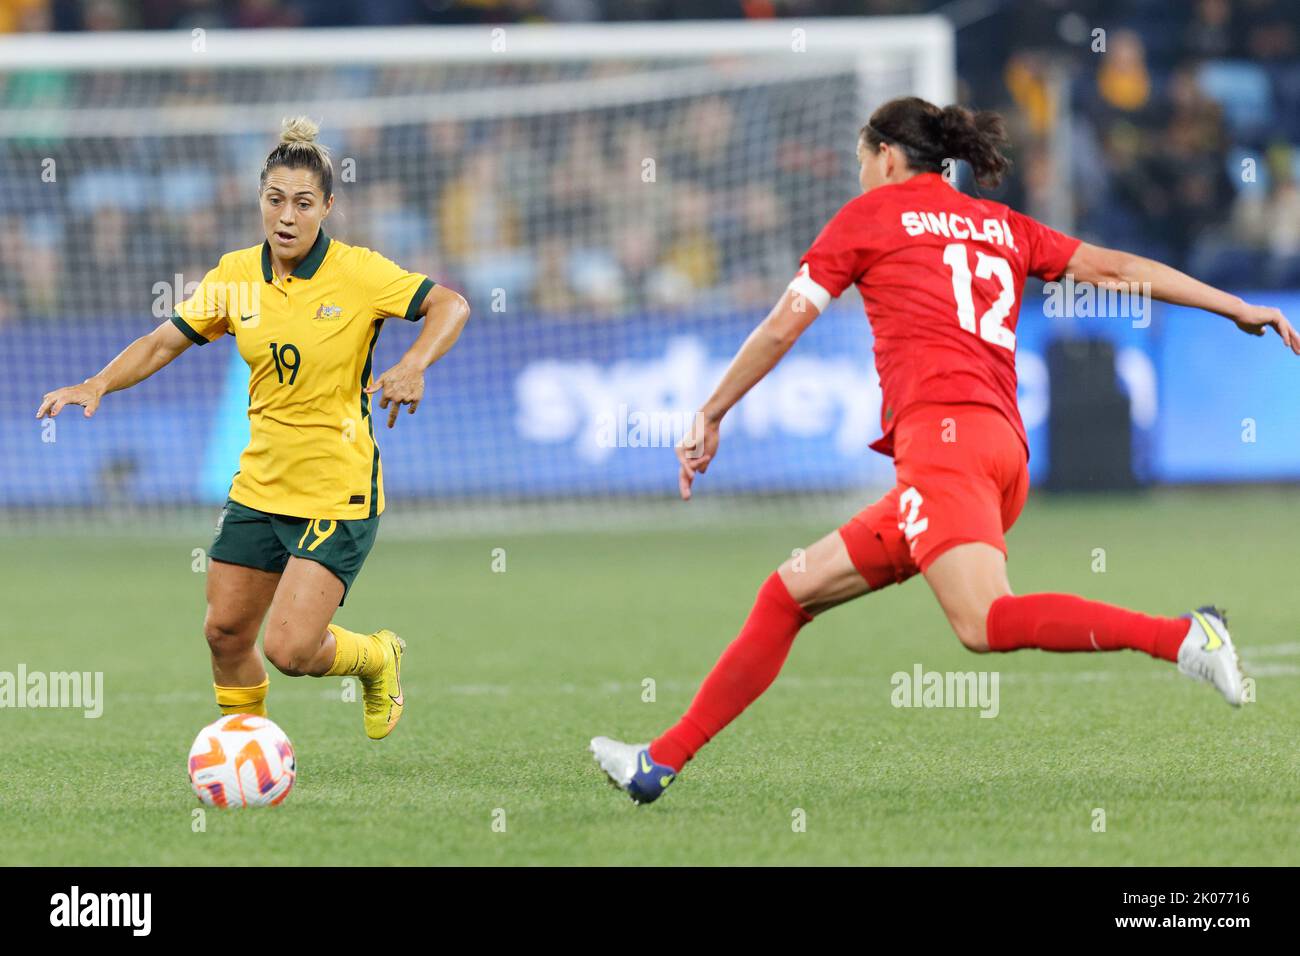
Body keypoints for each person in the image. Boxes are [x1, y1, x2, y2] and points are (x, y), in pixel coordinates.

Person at [591, 96, 1299, 803]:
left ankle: (1182, 637)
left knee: (984, 622)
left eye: (861, 161)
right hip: (999, 454)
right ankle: (659, 762)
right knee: (790, 592)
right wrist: (1235, 304)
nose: (860, 175)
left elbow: (782, 327)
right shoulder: (998, 224)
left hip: (945, 449)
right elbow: (1114, 270)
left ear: (887, 157)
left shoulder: (868, 217)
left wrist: (711, 412)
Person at [37, 117, 470, 740]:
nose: (286, 217)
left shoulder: (359, 272)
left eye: (301, 203)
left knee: (290, 651)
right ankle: (248, 753)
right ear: (259, 201)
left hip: (336, 489)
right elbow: (164, 343)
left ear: (327, 206)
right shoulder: (235, 274)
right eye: (274, 201)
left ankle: (377, 657)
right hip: (260, 484)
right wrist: (97, 382)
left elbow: (449, 304)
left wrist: (412, 363)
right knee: (224, 633)